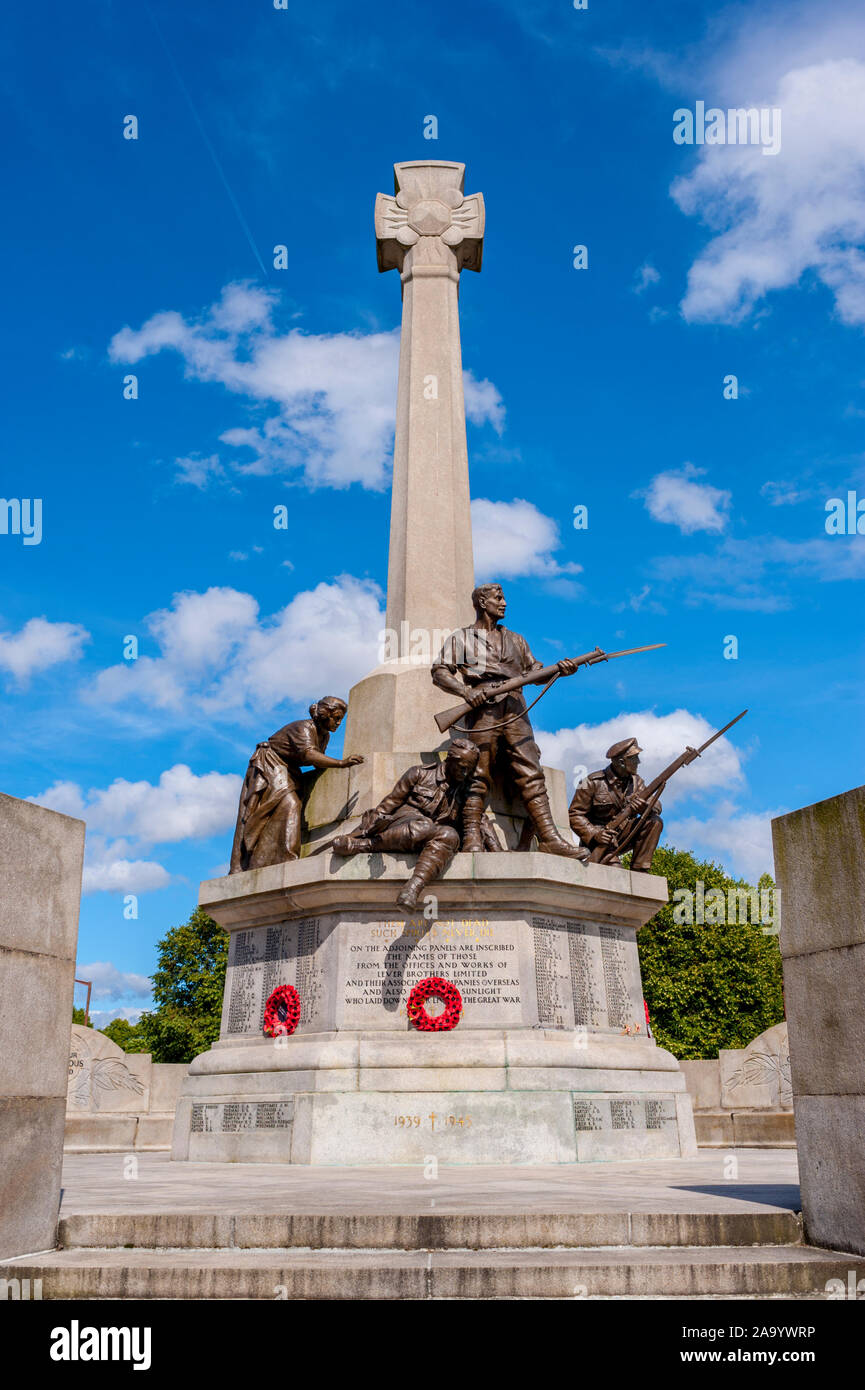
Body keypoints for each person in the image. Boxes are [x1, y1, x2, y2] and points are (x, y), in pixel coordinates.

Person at [431, 582, 586, 858]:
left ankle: (550, 838)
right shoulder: (462, 638)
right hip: (483, 707)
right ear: (482, 602)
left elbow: (535, 670)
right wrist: (466, 692)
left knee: (531, 772)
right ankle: (472, 840)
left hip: (515, 706)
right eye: (498, 598)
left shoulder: (517, 639)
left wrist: (559, 671)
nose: (504, 603)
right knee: (477, 773)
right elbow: (440, 671)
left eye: (504, 599)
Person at [331, 739, 480, 911]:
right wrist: (366, 829)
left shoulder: (465, 790)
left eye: (469, 769)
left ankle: (413, 888)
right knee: (425, 825)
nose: (465, 772)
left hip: (431, 836)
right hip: (403, 823)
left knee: (450, 835)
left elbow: (477, 821)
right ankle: (364, 844)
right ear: (450, 760)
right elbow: (390, 803)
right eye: (461, 767)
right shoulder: (419, 773)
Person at [230, 696, 363, 871]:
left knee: (288, 806)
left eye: (341, 719)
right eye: (336, 717)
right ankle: (284, 858)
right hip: (271, 762)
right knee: (290, 804)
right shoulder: (304, 728)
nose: (338, 723)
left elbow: (317, 761)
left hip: (289, 769)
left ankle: (271, 858)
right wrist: (341, 763)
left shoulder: (324, 735)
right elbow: (309, 755)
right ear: (324, 714)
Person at [568, 736, 662, 872]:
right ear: (622, 762)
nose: (639, 762)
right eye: (634, 758)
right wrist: (595, 834)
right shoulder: (591, 782)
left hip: (623, 835)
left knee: (654, 821)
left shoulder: (637, 782)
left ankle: (640, 869)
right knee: (615, 873)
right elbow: (574, 814)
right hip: (601, 840)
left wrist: (645, 806)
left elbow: (657, 806)